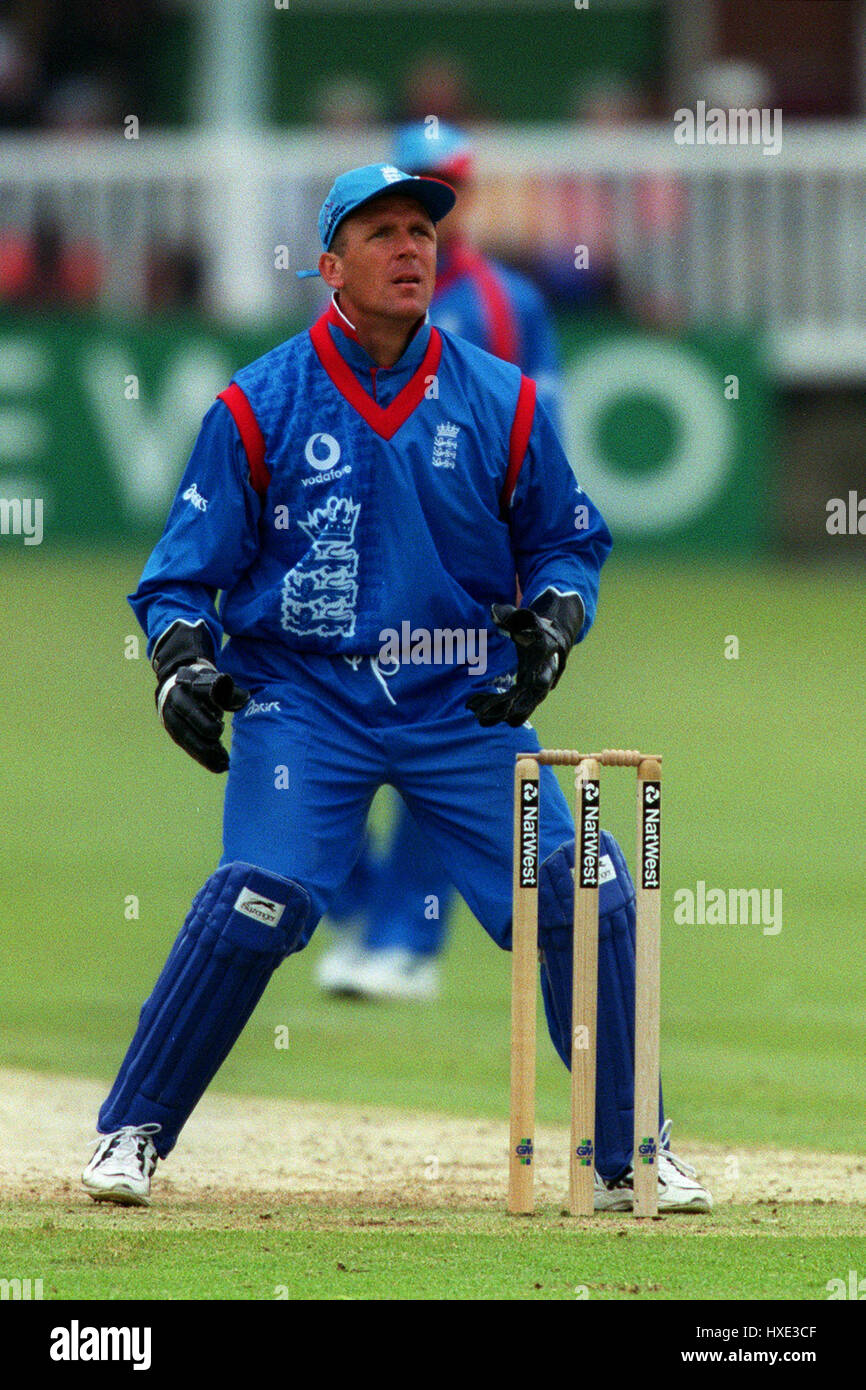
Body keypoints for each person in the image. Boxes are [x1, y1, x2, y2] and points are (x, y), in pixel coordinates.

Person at [81, 162, 711, 1214]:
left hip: (459, 701)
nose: (410, 248)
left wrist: (553, 622)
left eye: (420, 230)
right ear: (329, 266)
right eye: (380, 233)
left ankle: (625, 1153)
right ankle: (132, 1131)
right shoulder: (258, 402)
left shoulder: (497, 399)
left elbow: (565, 543)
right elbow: (179, 577)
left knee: (580, 883)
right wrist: (181, 661)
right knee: (261, 895)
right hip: (304, 695)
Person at [315, 123, 564, 1001]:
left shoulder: (504, 302)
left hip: (466, 567)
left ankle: (406, 943)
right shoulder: (351, 302)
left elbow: (538, 435)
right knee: (322, 730)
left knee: (450, 738)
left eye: (440, 190)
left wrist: (524, 566)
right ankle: (368, 918)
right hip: (366, 558)